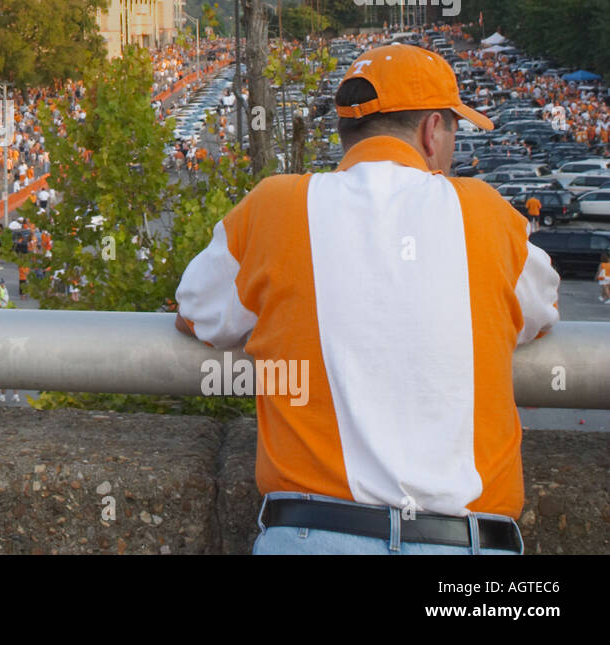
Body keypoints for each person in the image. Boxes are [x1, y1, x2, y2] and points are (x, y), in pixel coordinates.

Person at [175, 44, 559, 555]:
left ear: (346, 132)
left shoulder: (275, 206)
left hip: (310, 531)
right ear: (431, 131)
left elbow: (194, 313)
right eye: (453, 131)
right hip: (461, 540)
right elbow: (540, 313)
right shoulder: (483, 212)